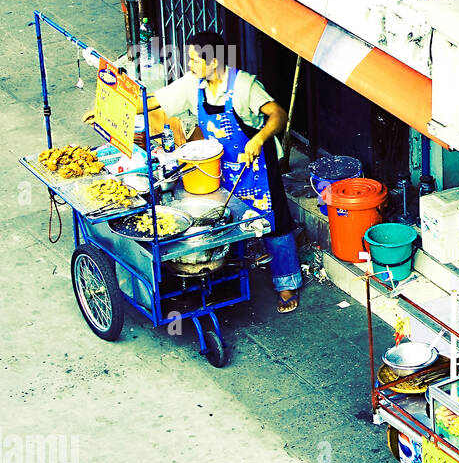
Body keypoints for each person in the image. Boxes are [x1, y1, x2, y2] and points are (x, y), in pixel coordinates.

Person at [86, 31, 303, 313]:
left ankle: (285, 283)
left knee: (274, 219)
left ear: (214, 61)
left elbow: (279, 114)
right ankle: (232, 268)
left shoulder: (244, 86)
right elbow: (153, 101)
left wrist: (258, 139)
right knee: (225, 215)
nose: (190, 65)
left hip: (256, 163)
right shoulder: (193, 84)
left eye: (195, 60)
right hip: (219, 164)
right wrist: (107, 111)